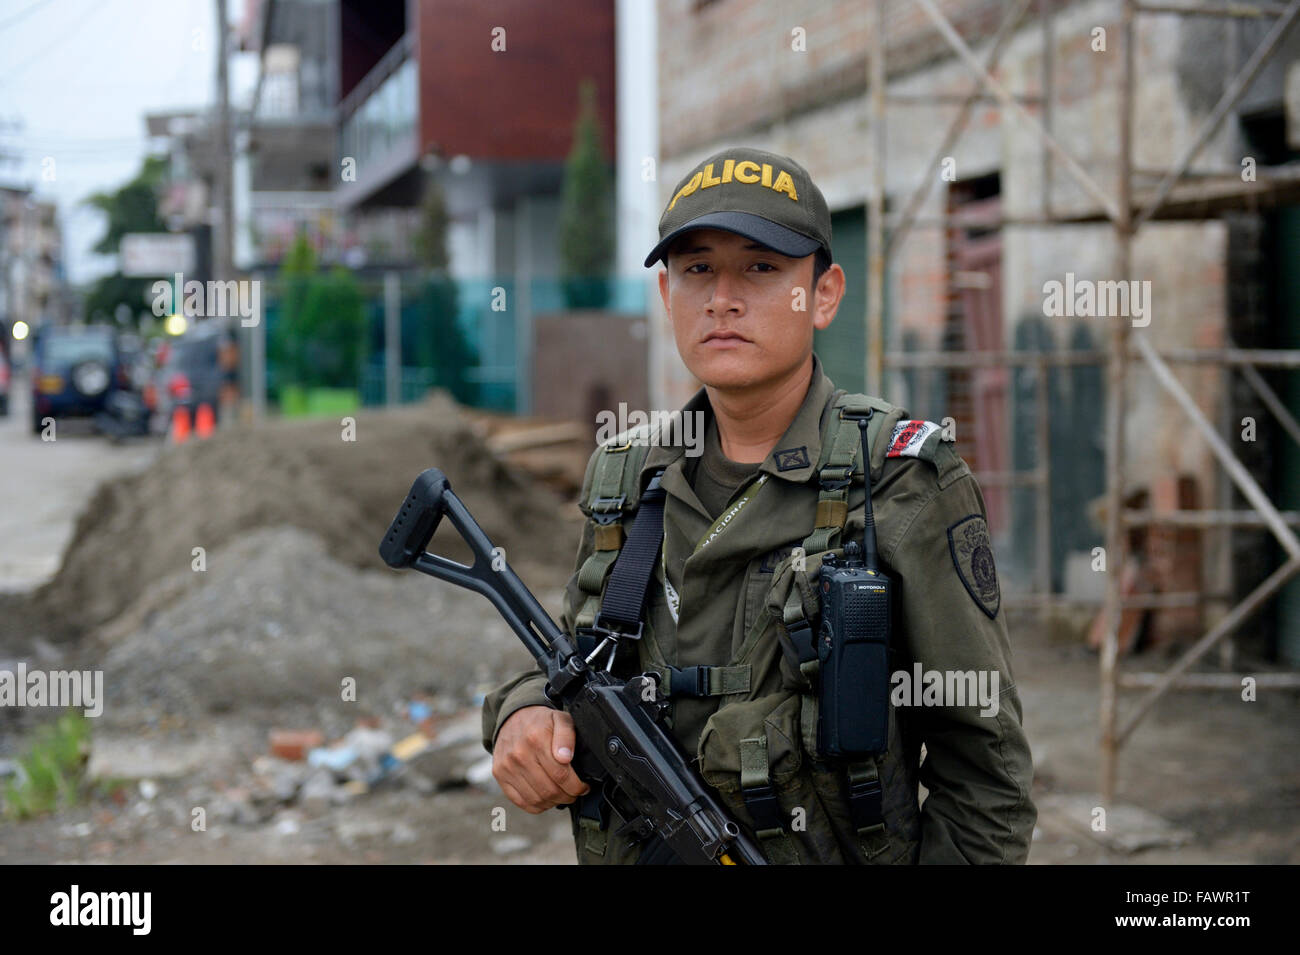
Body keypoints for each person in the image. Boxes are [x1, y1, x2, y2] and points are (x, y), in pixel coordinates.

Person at [481, 146, 1036, 864]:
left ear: (826, 293)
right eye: (697, 269)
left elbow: (985, 772)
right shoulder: (624, 477)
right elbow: (574, 659)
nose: (723, 298)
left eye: (762, 268)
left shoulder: (900, 479)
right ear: (665, 296)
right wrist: (523, 709)